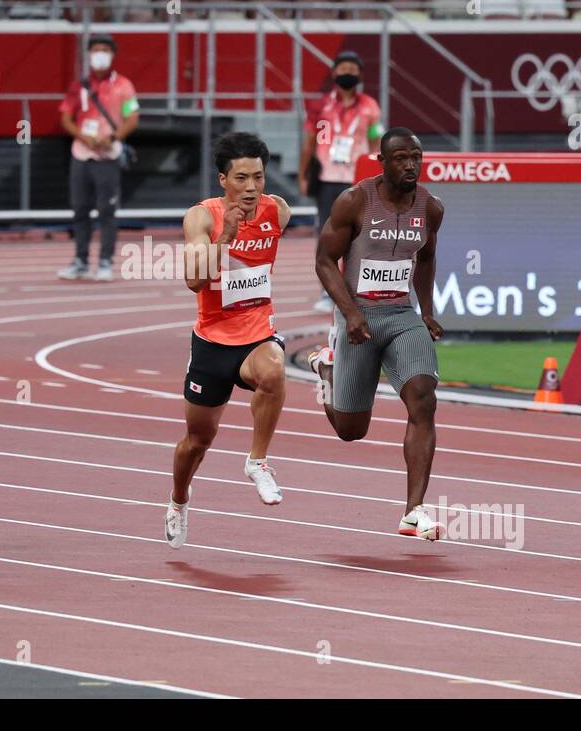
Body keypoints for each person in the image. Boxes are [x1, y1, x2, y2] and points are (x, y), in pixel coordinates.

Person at [310, 128, 446, 540]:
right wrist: (350, 313)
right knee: (352, 431)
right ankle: (327, 370)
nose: (410, 165)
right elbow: (324, 260)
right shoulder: (354, 201)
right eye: (401, 158)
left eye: (416, 157)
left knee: (423, 397)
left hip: (402, 315)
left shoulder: (431, 208)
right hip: (360, 319)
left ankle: (414, 510)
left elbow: (426, 258)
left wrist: (426, 311)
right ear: (382, 163)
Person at [165, 132, 292, 548]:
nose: (252, 187)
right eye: (242, 177)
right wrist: (226, 238)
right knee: (196, 442)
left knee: (274, 371)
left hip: (257, 332)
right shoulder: (201, 217)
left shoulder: (279, 211)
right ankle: (179, 499)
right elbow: (193, 280)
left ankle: (257, 462)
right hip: (212, 343)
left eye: (259, 176)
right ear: (223, 179)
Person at [297, 50, 386, 312]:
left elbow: (375, 141)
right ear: (334, 73)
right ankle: (328, 291)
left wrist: (378, 175)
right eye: (343, 68)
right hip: (327, 180)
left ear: (359, 74)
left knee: (360, 234)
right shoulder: (320, 105)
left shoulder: (369, 105)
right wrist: (303, 174)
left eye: (353, 68)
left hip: (358, 180)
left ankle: (360, 286)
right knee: (327, 235)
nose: (348, 72)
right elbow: (309, 143)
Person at [57, 33, 140, 282]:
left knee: (107, 210)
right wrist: (82, 137)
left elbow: (132, 118)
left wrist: (112, 138)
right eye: (95, 49)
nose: (100, 54)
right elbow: (65, 118)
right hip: (81, 155)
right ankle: (80, 260)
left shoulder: (124, 86)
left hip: (108, 156)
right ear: (89, 55)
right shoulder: (79, 86)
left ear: (112, 54)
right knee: (80, 209)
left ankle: (105, 261)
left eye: (104, 49)